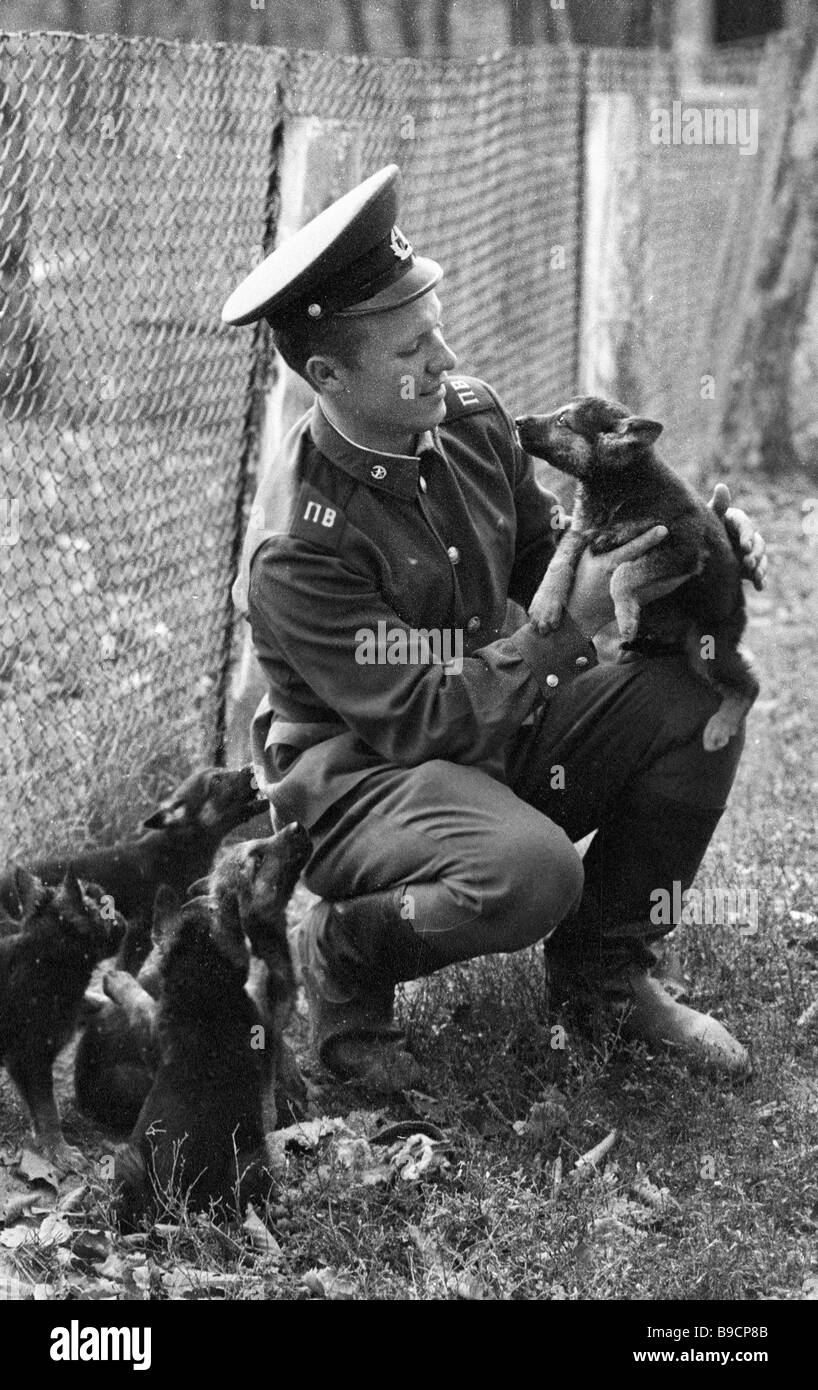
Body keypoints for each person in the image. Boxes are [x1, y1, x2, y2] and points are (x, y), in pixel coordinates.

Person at [223, 164, 767, 1091]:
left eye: (436, 333)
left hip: (493, 723)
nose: (441, 361)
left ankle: (602, 977)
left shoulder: (467, 420)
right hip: (367, 779)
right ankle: (344, 951)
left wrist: (689, 550)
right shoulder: (298, 546)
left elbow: (547, 551)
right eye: (408, 352)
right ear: (327, 375)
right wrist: (571, 624)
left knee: (698, 685)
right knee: (531, 872)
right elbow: (419, 719)